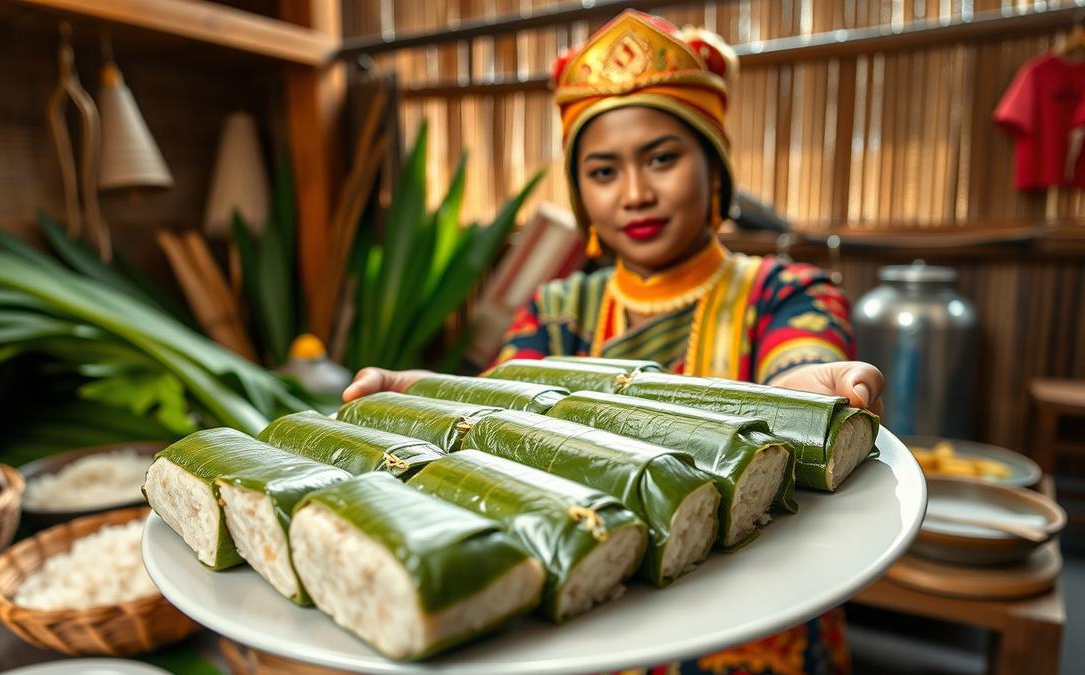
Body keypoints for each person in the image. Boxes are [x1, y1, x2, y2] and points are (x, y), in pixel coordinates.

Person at [344, 10, 882, 674]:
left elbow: (800, 358)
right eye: (603, 171)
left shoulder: (786, 291)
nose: (635, 193)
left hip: (756, 632)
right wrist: (424, 401)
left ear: (715, 168)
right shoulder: (557, 310)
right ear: (580, 194)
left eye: (662, 159)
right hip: (598, 621)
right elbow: (501, 419)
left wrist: (802, 397)